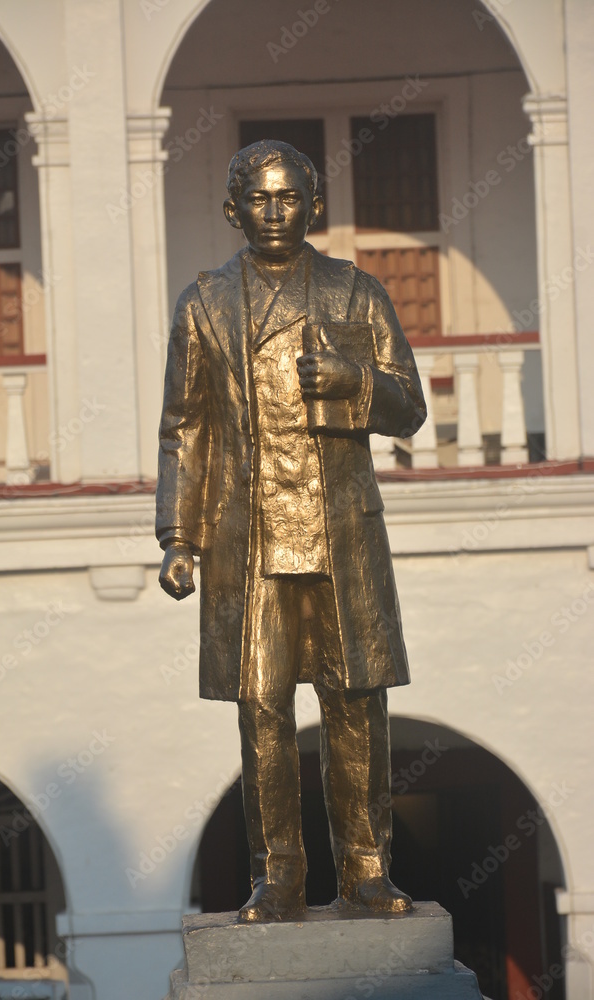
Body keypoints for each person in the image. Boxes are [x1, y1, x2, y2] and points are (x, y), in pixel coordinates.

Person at [156, 140, 426, 922]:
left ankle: (368, 870)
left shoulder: (353, 292)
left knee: (355, 701)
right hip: (249, 536)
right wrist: (179, 536)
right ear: (233, 209)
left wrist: (355, 382)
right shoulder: (205, 303)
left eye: (289, 198)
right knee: (262, 707)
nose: (275, 212)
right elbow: (186, 427)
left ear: (313, 206)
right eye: (259, 199)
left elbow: (408, 407)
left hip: (339, 530)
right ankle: (276, 875)